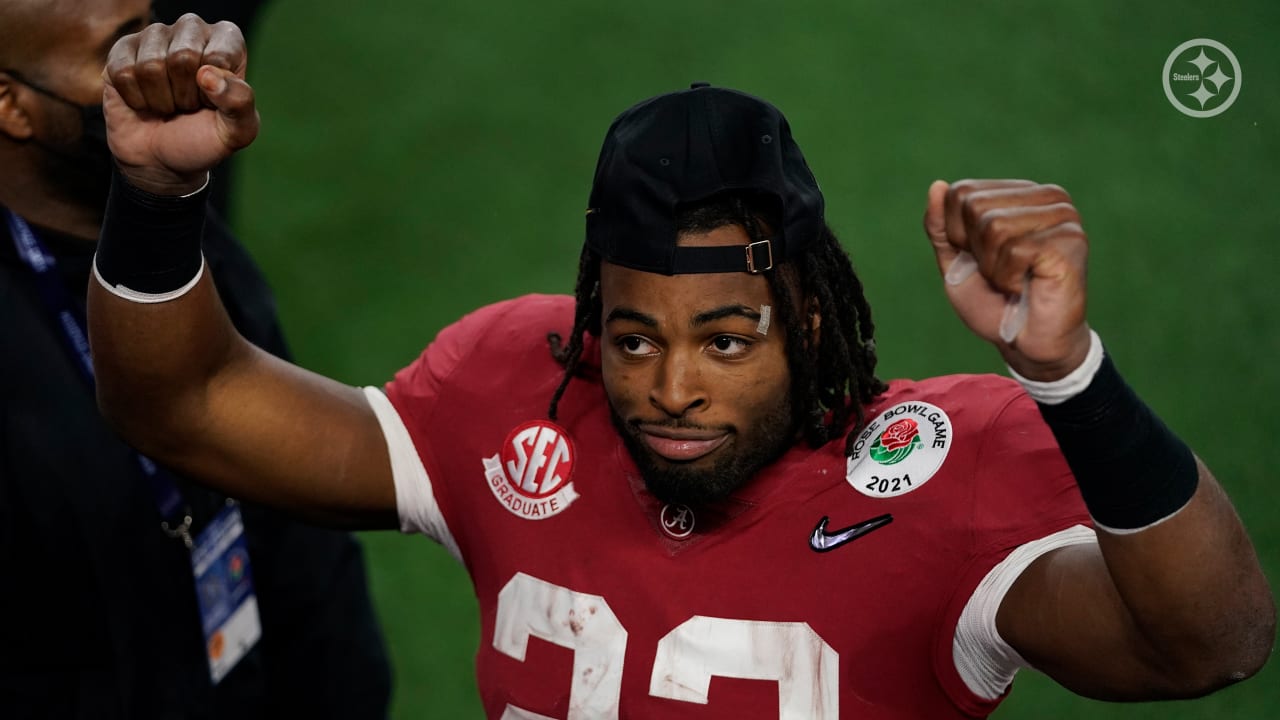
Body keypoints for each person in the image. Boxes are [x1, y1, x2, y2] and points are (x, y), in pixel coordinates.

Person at [85, 15, 1274, 719]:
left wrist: (1067, 377)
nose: (668, 390)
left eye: (724, 339)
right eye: (632, 336)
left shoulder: (942, 477)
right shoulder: (521, 393)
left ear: (809, 323)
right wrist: (153, 196)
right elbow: (183, 406)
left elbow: (1210, 643)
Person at [0, 3, 391, 717]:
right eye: (114, 54)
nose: (154, 65)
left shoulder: (176, 215)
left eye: (146, 28)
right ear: (11, 106)